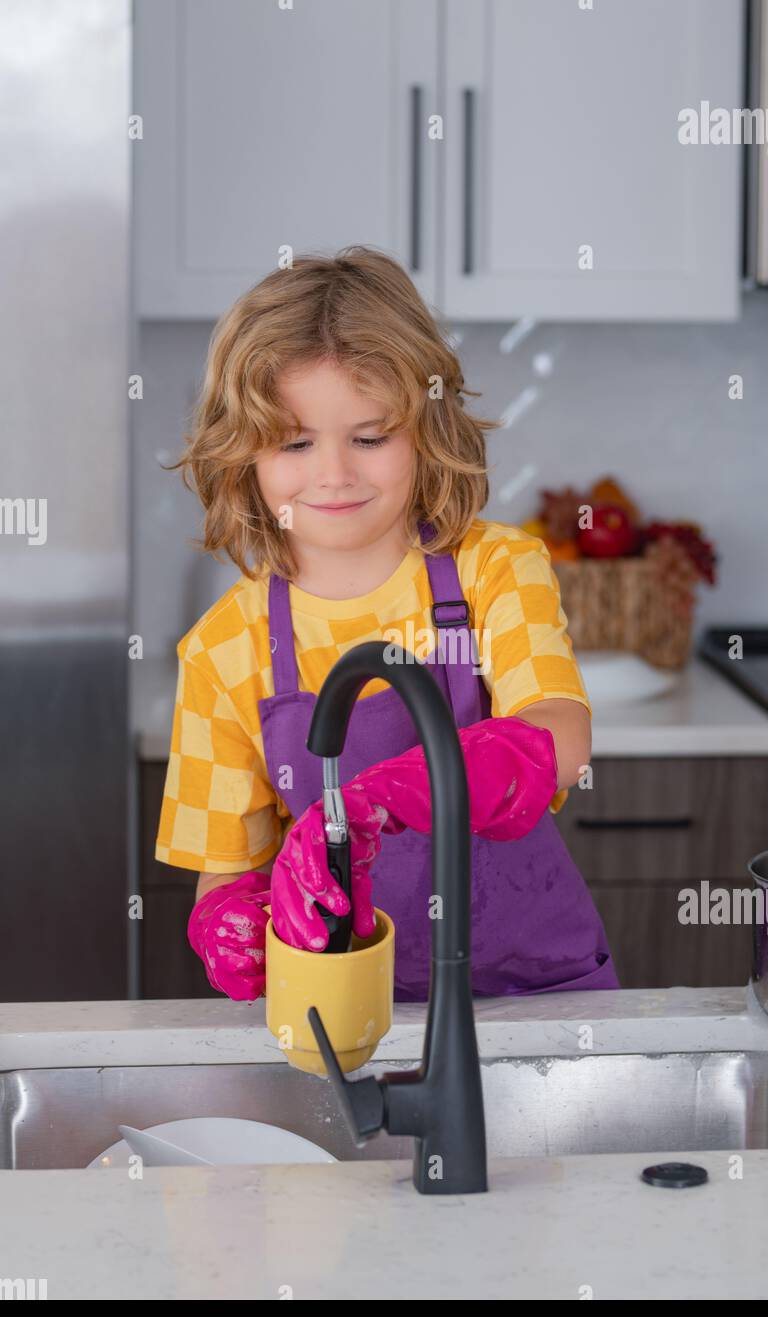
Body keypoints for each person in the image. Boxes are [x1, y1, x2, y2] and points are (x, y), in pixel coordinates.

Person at [155, 246, 619, 1003]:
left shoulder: (493, 570)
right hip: (347, 1013)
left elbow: (561, 738)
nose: (334, 473)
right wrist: (231, 927)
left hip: (538, 999)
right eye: (295, 443)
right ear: (243, 457)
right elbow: (228, 867)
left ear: (428, 432)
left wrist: (390, 796)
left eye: (370, 438)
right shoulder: (222, 649)